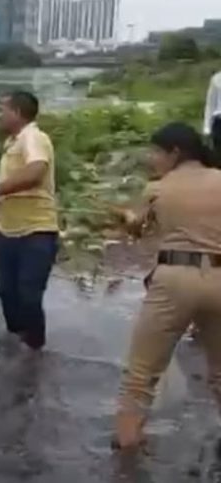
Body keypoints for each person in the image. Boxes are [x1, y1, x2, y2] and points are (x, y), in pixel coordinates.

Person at [113, 122, 221, 450]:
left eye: (156, 152)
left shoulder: (158, 188)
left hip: (174, 279)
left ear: (175, 152)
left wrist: (126, 219)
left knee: (141, 373)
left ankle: (127, 447)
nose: (152, 158)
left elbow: (138, 228)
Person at [0, 91, 59, 351]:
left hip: (36, 231)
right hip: (8, 231)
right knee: (6, 293)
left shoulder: (33, 137)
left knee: (29, 295)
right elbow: (20, 185)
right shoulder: (12, 143)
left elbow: (36, 172)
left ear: (17, 113)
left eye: (2, 110)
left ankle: (35, 351)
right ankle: (17, 344)